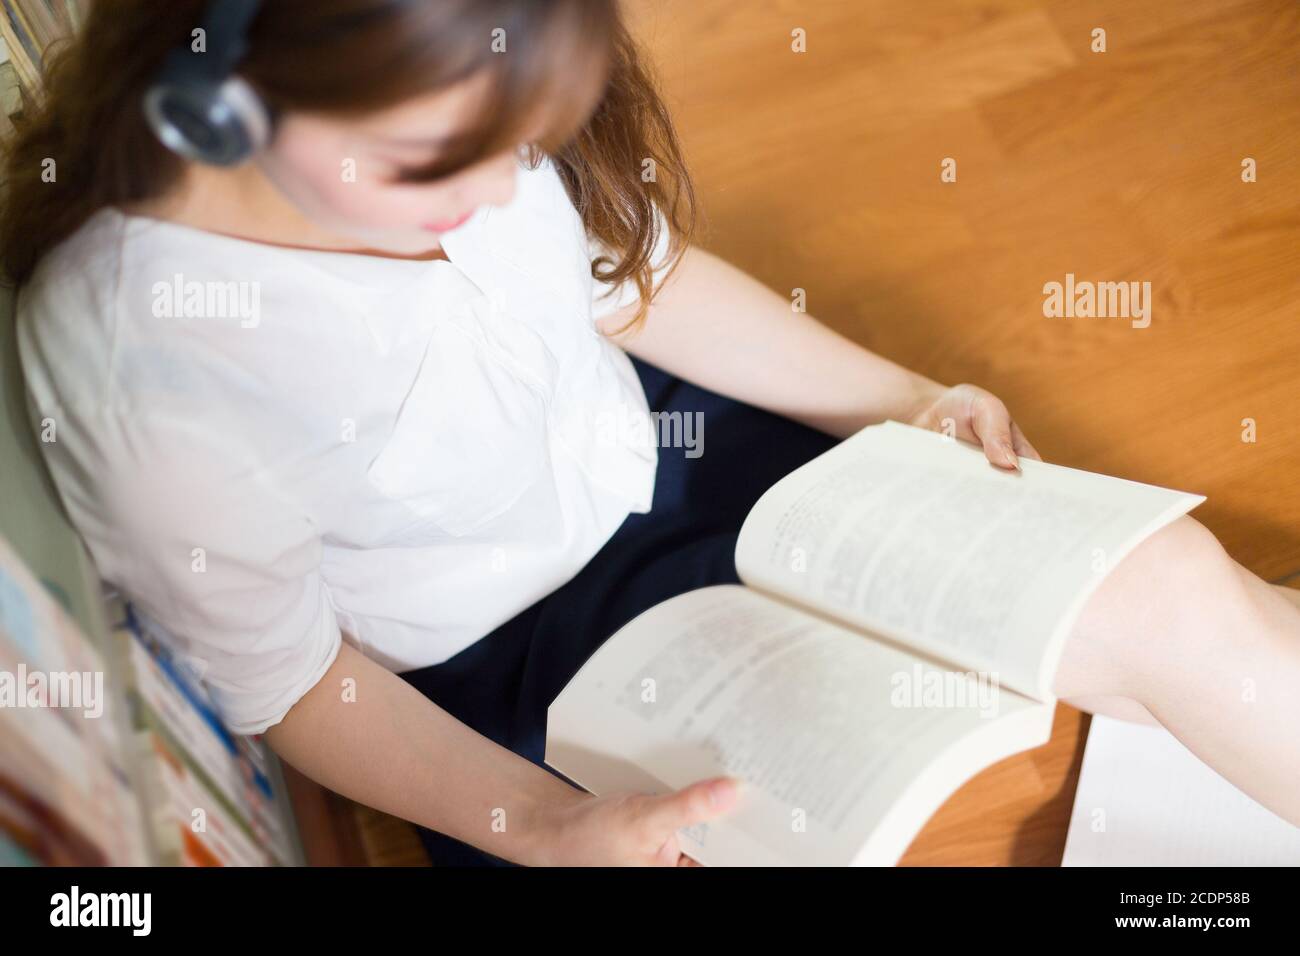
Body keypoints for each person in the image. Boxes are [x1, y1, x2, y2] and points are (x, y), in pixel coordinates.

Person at [4, 0, 1297, 866]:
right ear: (218, 101)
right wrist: (549, 827)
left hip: (679, 454)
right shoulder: (155, 378)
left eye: (522, 146)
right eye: (431, 159)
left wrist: (905, 402)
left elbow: (640, 282)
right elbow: (290, 681)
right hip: (506, 675)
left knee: (1171, 591)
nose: (493, 192)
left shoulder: (463, 91)